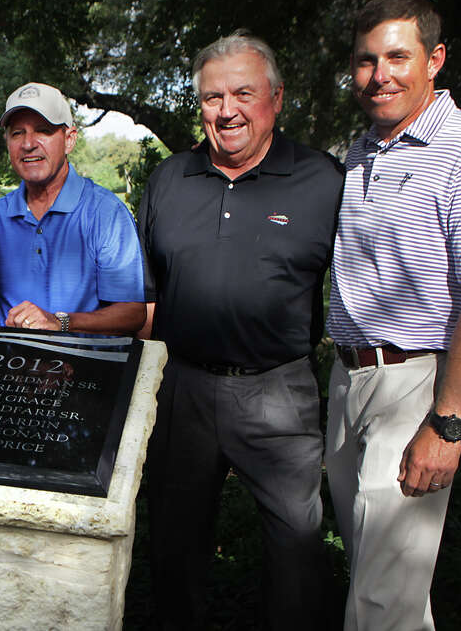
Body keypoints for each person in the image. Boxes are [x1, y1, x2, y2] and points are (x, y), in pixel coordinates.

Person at [326, 0, 461, 630]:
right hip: (348, 381)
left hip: (416, 384)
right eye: (365, 60)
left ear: (435, 59)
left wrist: (449, 422)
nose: (378, 74)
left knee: (383, 597)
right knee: (383, 582)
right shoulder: (361, 152)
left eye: (397, 57)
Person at [137, 32, 341, 629]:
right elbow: (148, 296)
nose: (226, 110)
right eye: (212, 97)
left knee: (296, 550)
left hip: (278, 391)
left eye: (243, 93)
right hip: (184, 391)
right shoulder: (169, 180)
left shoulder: (323, 181)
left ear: (275, 99)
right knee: (173, 548)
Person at [0, 82, 145, 334]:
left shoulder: (106, 212)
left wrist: (61, 321)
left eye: (43, 131)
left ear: (69, 140)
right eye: (17, 133)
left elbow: (132, 313)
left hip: (79, 368)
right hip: (8, 368)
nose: (28, 144)